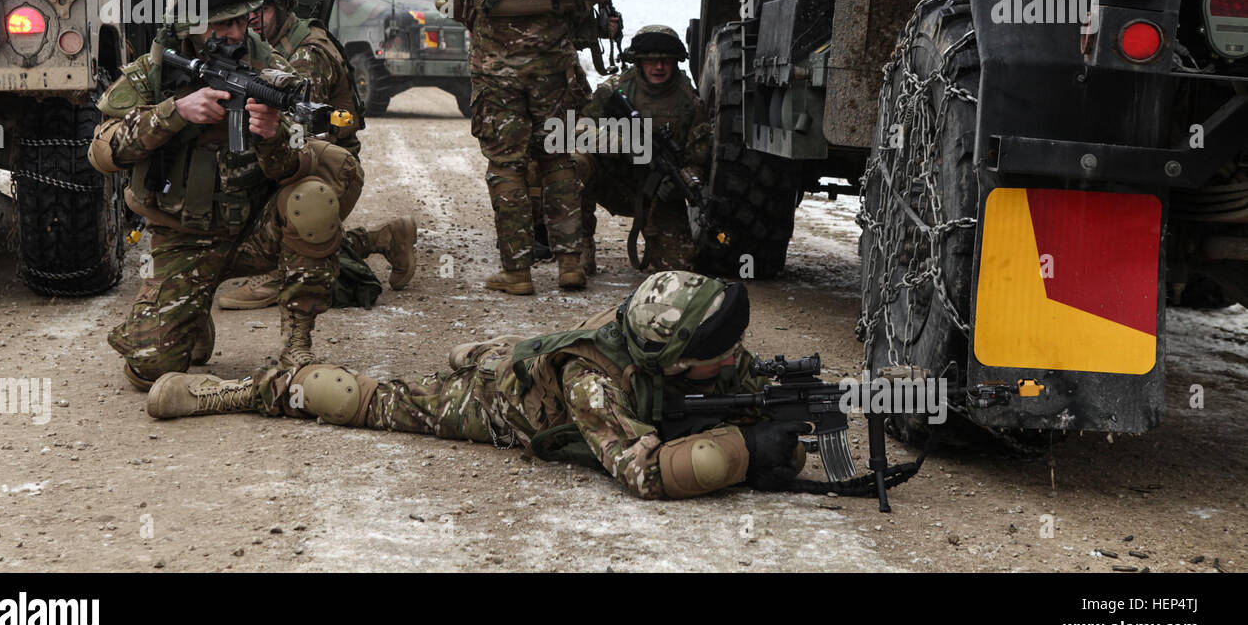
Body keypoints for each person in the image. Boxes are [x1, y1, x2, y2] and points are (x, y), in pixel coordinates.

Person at [145, 271, 809, 500]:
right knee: (364, 402)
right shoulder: (594, 384)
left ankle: (485, 351)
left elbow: (727, 374)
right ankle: (239, 393)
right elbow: (646, 475)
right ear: (673, 353)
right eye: (715, 352)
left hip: (527, 360)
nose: (732, 358)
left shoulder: (674, 338)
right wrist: (747, 451)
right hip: (495, 401)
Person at [88, 0, 363, 388]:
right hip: (184, 237)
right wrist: (173, 113)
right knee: (149, 371)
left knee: (312, 199)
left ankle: (296, 343)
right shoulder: (154, 73)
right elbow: (101, 153)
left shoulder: (268, 67)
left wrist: (273, 135)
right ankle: (191, 314)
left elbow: (294, 163)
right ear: (187, 25)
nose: (235, 33)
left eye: (240, 21)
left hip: (254, 229)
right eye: (220, 26)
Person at [436, 0, 620, 295]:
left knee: (507, 165)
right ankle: (570, 265)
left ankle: (517, 272)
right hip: (553, 67)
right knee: (558, 159)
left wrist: (482, 26)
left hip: (495, 70)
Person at [215, 0, 417, 310]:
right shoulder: (270, 45)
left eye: (262, 9)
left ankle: (281, 270)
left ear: (282, 8)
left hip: (327, 168)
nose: (252, 19)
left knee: (253, 243)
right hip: (304, 160)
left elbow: (298, 130)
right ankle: (383, 238)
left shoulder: (308, 54)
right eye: (247, 11)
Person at [577, 26, 709, 273]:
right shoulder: (614, 90)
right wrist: (621, 145)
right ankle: (579, 249)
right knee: (575, 164)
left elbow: (698, 158)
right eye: (651, 60)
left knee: (677, 271)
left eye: (666, 60)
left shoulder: (690, 102)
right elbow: (579, 131)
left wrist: (685, 180)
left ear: (675, 62)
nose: (658, 67)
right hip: (613, 183)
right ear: (638, 62)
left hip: (659, 195)